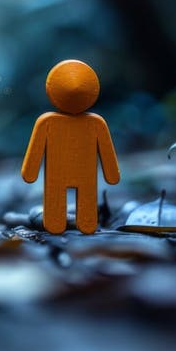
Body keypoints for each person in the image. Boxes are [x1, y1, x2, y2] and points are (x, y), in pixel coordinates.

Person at [21, 59, 120, 234]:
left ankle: (65, 223)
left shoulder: (47, 122)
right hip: (84, 172)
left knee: (59, 197)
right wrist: (111, 174)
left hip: (58, 172)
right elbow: (106, 152)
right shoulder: (96, 123)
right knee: (84, 196)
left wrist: (30, 172)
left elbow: (36, 150)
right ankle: (83, 223)